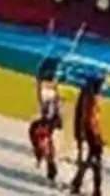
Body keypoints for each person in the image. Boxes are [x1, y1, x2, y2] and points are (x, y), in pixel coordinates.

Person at [29, 56, 64, 184]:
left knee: (46, 139)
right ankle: (47, 161)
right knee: (43, 138)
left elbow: (52, 100)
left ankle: (49, 162)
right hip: (48, 119)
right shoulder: (48, 91)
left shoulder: (50, 91)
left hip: (51, 119)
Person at [71, 76, 105, 196]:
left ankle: (79, 183)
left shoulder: (89, 99)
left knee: (93, 161)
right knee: (94, 162)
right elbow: (90, 118)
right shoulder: (90, 100)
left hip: (91, 132)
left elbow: (93, 118)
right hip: (89, 132)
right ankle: (82, 184)